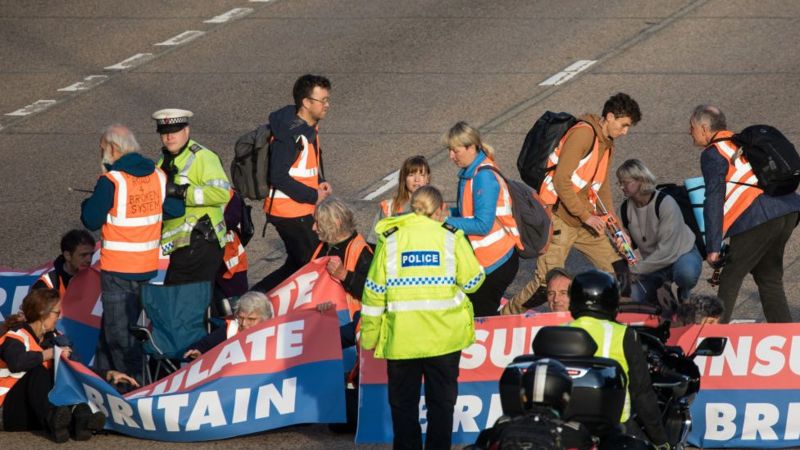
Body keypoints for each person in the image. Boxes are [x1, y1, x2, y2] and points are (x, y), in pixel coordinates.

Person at [361, 185, 485, 450]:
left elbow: (373, 293)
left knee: (403, 406)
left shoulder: (392, 239)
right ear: (440, 210)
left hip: (402, 340)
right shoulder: (452, 237)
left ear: (412, 207)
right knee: (442, 405)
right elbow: (474, 281)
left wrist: (370, 338)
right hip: (444, 340)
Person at [504, 93, 642, 315]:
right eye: (624, 125)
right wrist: (586, 216)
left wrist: (616, 228)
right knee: (544, 286)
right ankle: (503, 319)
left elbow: (600, 188)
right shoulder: (583, 135)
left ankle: (625, 323)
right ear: (609, 117)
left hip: (584, 221)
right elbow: (561, 181)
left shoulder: (606, 143)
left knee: (619, 271)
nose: (625, 132)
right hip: (560, 219)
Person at [81, 124, 183, 384]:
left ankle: (132, 393)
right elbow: (174, 209)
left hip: (118, 270)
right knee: (110, 332)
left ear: (113, 148)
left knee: (120, 339)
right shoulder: (157, 176)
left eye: (102, 149)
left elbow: (91, 219)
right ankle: (103, 386)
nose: (101, 154)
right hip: (146, 268)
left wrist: (91, 197)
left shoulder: (112, 181)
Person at [690, 105, 800, 323]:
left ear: (704, 128)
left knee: (731, 275)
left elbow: (713, 198)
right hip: (787, 210)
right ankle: (787, 338)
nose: (689, 132)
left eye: (691, 127)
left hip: (757, 217)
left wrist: (713, 248)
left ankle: (716, 337)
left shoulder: (713, 153)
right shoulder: (742, 143)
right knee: (769, 278)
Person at [0, 289, 136, 442]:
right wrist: (48, 354)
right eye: (56, 313)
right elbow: (16, 363)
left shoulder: (55, 338)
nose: (59, 318)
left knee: (65, 372)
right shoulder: (16, 336)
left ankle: (80, 418)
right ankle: (58, 417)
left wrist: (107, 374)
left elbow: (75, 368)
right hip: (8, 409)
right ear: (42, 314)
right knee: (39, 370)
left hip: (33, 409)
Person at [567, 270, 669, 449]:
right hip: (613, 426)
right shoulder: (624, 334)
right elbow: (641, 392)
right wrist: (660, 440)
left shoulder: (557, 331)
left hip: (563, 425)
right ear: (613, 302)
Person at [252, 74, 333, 293]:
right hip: (288, 211)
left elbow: (304, 165)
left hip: (300, 209)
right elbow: (278, 176)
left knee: (300, 263)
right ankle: (253, 301)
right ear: (306, 103)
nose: (327, 105)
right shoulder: (291, 134)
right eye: (322, 100)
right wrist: (313, 195)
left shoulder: (307, 127)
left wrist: (320, 181)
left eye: (327, 99)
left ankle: (254, 300)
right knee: (313, 262)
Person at [443, 122, 522, 317]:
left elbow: (482, 224)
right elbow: (466, 213)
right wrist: (443, 214)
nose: (451, 156)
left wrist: (443, 222)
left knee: (480, 318)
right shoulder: (471, 173)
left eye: (455, 150)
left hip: (496, 262)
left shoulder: (483, 177)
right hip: (487, 261)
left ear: (471, 147)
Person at [154, 108, 231, 285]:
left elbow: (222, 193)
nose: (169, 137)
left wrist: (182, 192)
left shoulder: (202, 157)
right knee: (196, 302)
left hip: (200, 240)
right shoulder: (162, 160)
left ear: (186, 131)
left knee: (177, 299)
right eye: (164, 133)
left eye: (175, 131)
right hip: (181, 245)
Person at [616, 159, 702, 305]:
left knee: (686, 273)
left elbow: (667, 251)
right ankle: (664, 294)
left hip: (681, 254)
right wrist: (620, 245)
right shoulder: (625, 208)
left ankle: (685, 294)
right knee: (636, 296)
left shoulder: (665, 203)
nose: (621, 187)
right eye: (619, 182)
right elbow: (628, 244)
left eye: (625, 182)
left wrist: (635, 271)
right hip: (654, 261)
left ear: (641, 180)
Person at [310, 197, 373, 347]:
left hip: (353, 321)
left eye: (318, 223)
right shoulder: (324, 246)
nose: (313, 227)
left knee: (316, 342)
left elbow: (373, 292)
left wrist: (345, 275)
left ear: (336, 223)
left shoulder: (361, 252)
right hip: (326, 315)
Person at [183, 291, 273, 359]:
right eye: (241, 317)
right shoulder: (231, 329)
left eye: (251, 319)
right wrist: (198, 351)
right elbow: (203, 345)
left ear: (264, 318)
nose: (244, 324)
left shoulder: (277, 331)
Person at [367, 155, 431, 245]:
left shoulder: (435, 206)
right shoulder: (389, 207)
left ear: (427, 179)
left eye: (421, 175)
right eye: (411, 175)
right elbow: (374, 241)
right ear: (404, 178)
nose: (417, 179)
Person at [214, 190, 250, 316]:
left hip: (229, 261)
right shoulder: (229, 193)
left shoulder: (229, 195)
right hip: (229, 261)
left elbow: (231, 221)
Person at [31, 229, 96, 296]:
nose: (89, 260)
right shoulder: (46, 285)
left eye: (91, 254)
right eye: (83, 255)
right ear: (67, 255)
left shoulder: (96, 279)